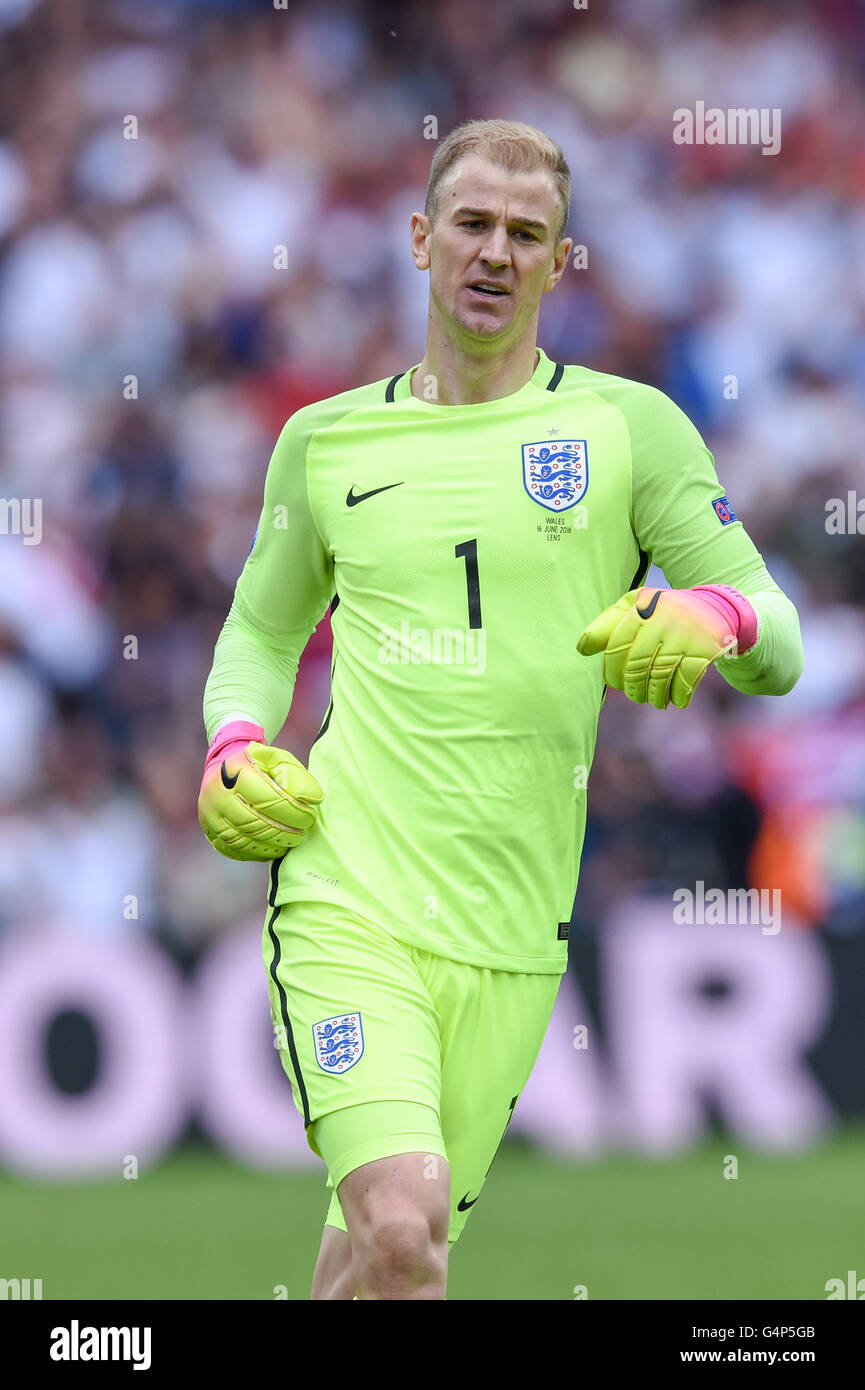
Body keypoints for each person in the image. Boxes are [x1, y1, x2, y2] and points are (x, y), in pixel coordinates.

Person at [198, 118, 803, 1300]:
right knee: (403, 1222)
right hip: (348, 892)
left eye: (527, 235)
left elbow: (775, 634)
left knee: (373, 1262)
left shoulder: (628, 431)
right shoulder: (324, 443)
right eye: (470, 224)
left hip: (513, 937)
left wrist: (713, 620)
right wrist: (232, 742)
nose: (494, 252)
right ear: (422, 239)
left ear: (558, 262)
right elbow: (262, 631)